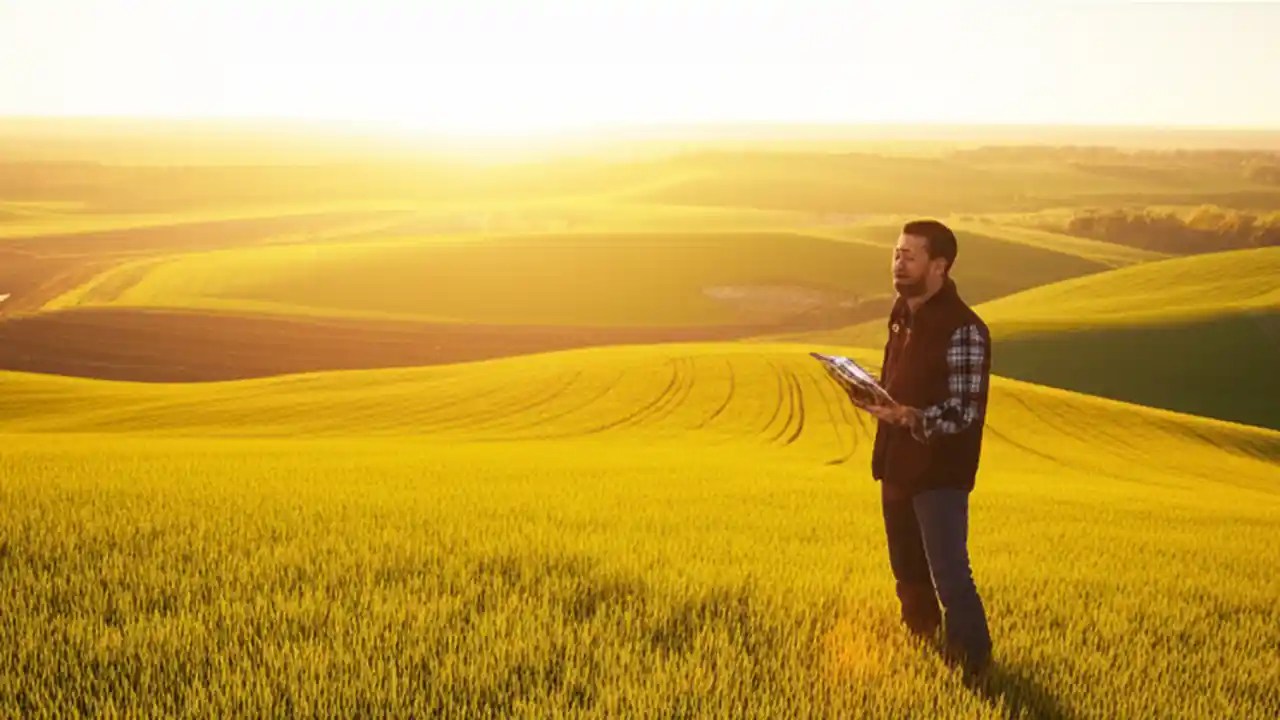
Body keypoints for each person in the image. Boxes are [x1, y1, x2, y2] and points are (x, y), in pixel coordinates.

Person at [858, 219, 993, 679]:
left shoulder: (964, 329)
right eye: (896, 253)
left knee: (951, 578)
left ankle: (974, 667)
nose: (899, 262)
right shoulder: (901, 314)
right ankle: (924, 651)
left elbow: (964, 412)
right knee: (908, 574)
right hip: (896, 463)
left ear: (939, 266)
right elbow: (901, 382)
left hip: (939, 473)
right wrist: (871, 391)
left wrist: (911, 418)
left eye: (909, 255)